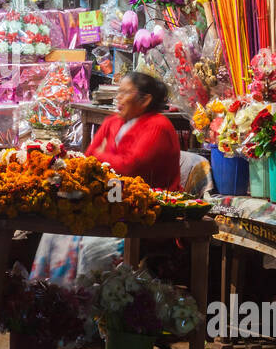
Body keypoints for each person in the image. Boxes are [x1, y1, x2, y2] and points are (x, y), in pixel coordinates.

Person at [30, 70, 181, 284]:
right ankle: (46, 297)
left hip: (145, 217)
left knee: (93, 248)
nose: (117, 98)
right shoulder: (113, 122)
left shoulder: (159, 126)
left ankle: (86, 304)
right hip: (109, 206)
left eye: (125, 93)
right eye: (118, 92)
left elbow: (130, 167)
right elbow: (89, 160)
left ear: (145, 100)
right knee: (53, 234)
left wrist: (103, 155)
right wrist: (104, 158)